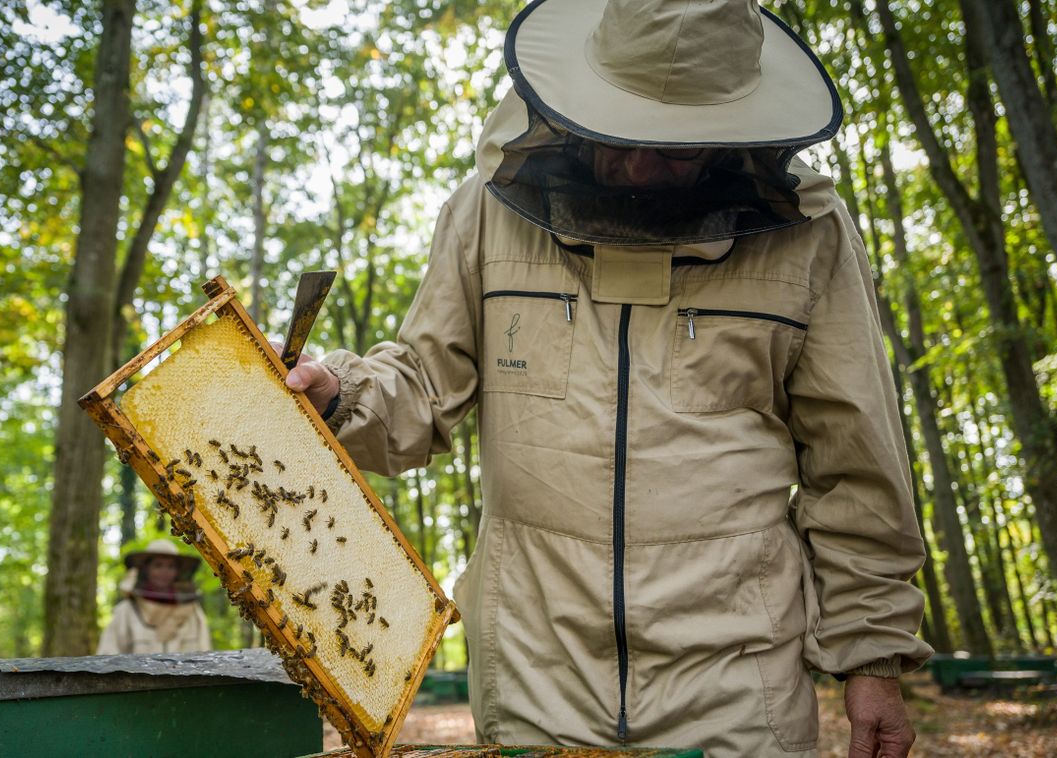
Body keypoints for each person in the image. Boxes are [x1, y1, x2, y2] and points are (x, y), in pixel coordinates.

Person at [283, 0, 932, 755]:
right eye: (618, 132)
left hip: (736, 675)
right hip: (535, 664)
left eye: (676, 148)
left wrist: (872, 657)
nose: (637, 166)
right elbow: (424, 388)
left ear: (733, 137)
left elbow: (854, 462)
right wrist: (339, 392)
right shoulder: (483, 214)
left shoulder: (810, 235)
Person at [96, 539, 213, 655]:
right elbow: (107, 656)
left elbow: (204, 655)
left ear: (177, 571)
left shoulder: (193, 612)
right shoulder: (126, 611)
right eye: (158, 565)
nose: (164, 571)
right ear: (146, 569)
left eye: (171, 566)